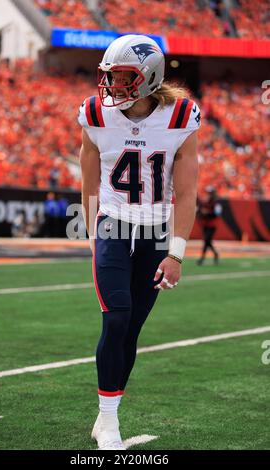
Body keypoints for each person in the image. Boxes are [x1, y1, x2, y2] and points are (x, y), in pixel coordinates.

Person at [78, 34, 201, 450]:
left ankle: (105, 414)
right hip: (113, 223)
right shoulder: (94, 112)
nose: (111, 87)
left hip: (155, 229)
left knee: (130, 328)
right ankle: (110, 423)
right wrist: (92, 230)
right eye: (109, 77)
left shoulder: (181, 115)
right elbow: (89, 172)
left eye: (123, 77)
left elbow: (185, 193)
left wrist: (177, 253)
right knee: (115, 317)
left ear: (149, 77)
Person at [196, 186, 222, 265]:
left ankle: (202, 258)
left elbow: (217, 213)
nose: (209, 194)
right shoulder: (205, 202)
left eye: (210, 193)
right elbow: (199, 211)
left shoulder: (216, 202)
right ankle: (215, 254)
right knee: (207, 241)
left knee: (207, 240)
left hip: (212, 224)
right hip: (205, 224)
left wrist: (207, 213)